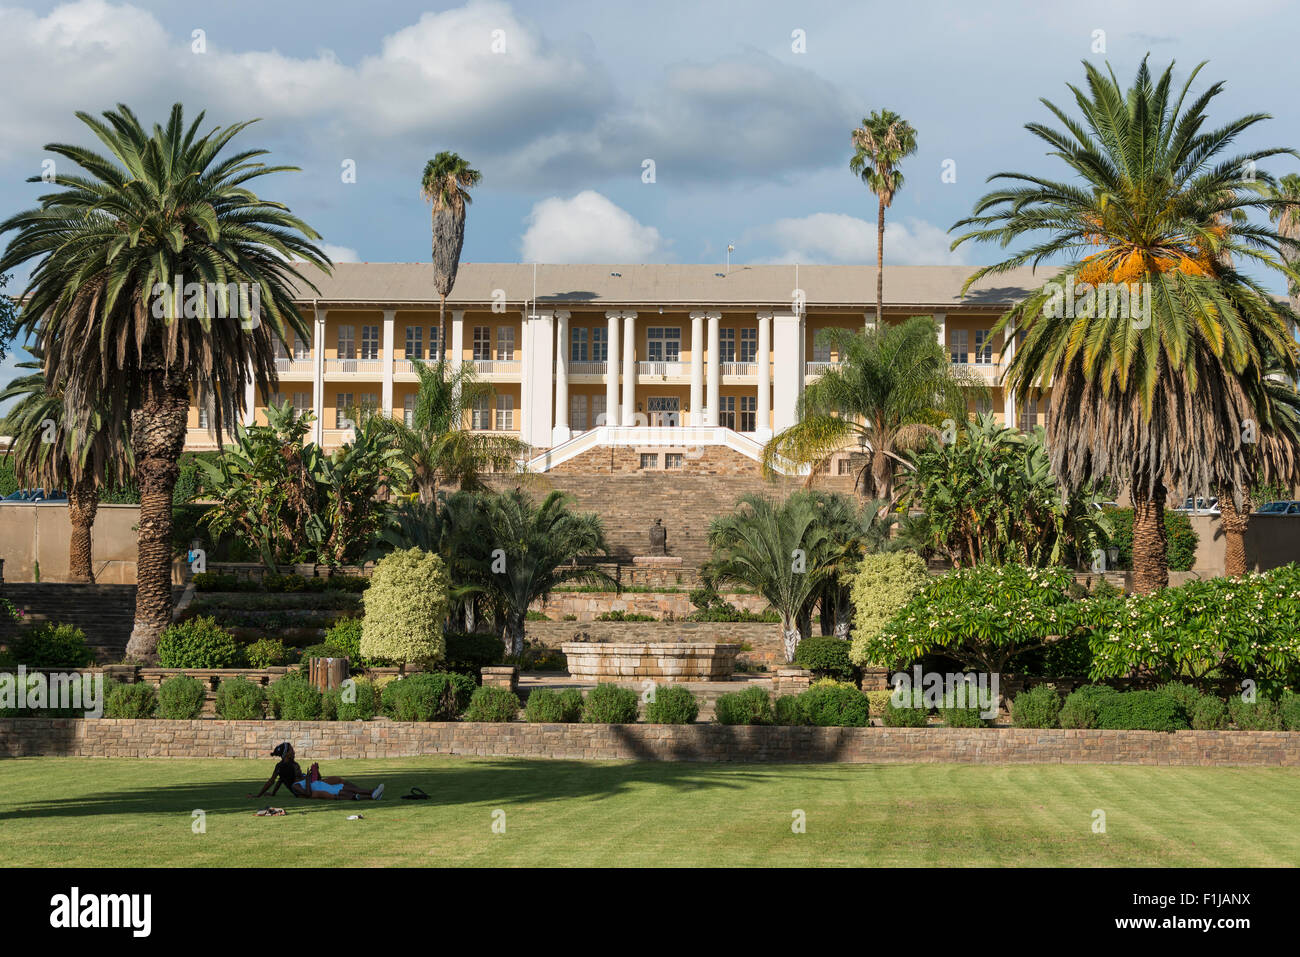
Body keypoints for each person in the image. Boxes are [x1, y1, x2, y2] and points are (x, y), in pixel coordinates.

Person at [248, 742, 384, 801]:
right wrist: (259, 795)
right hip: (306, 786)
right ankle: (370, 793)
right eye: (292, 750)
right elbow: (274, 781)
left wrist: (314, 773)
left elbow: (279, 781)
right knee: (339, 789)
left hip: (309, 784)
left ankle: (371, 792)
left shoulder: (290, 765)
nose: (294, 751)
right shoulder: (286, 770)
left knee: (340, 784)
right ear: (287, 753)